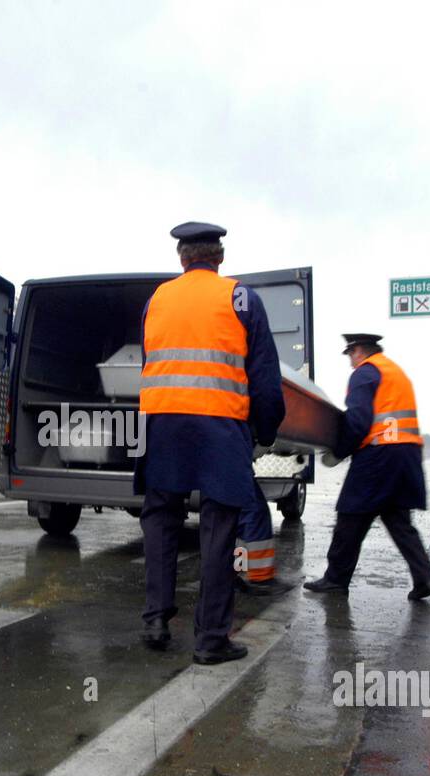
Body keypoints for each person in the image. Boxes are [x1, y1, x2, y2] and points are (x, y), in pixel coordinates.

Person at [136, 221, 285, 664]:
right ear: (218, 258)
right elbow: (264, 377)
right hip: (220, 428)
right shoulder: (240, 298)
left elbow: (150, 360)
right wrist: (266, 429)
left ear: (182, 259)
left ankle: (156, 620)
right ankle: (210, 639)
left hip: (162, 424)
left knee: (161, 520)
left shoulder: (157, 299)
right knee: (219, 529)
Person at [303, 333, 430, 600]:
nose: (351, 362)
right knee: (398, 520)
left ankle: (335, 579)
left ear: (359, 350)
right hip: (405, 454)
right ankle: (424, 578)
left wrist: (339, 451)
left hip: (379, 455)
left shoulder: (365, 373)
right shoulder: (393, 371)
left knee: (350, 516)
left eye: (351, 354)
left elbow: (358, 420)